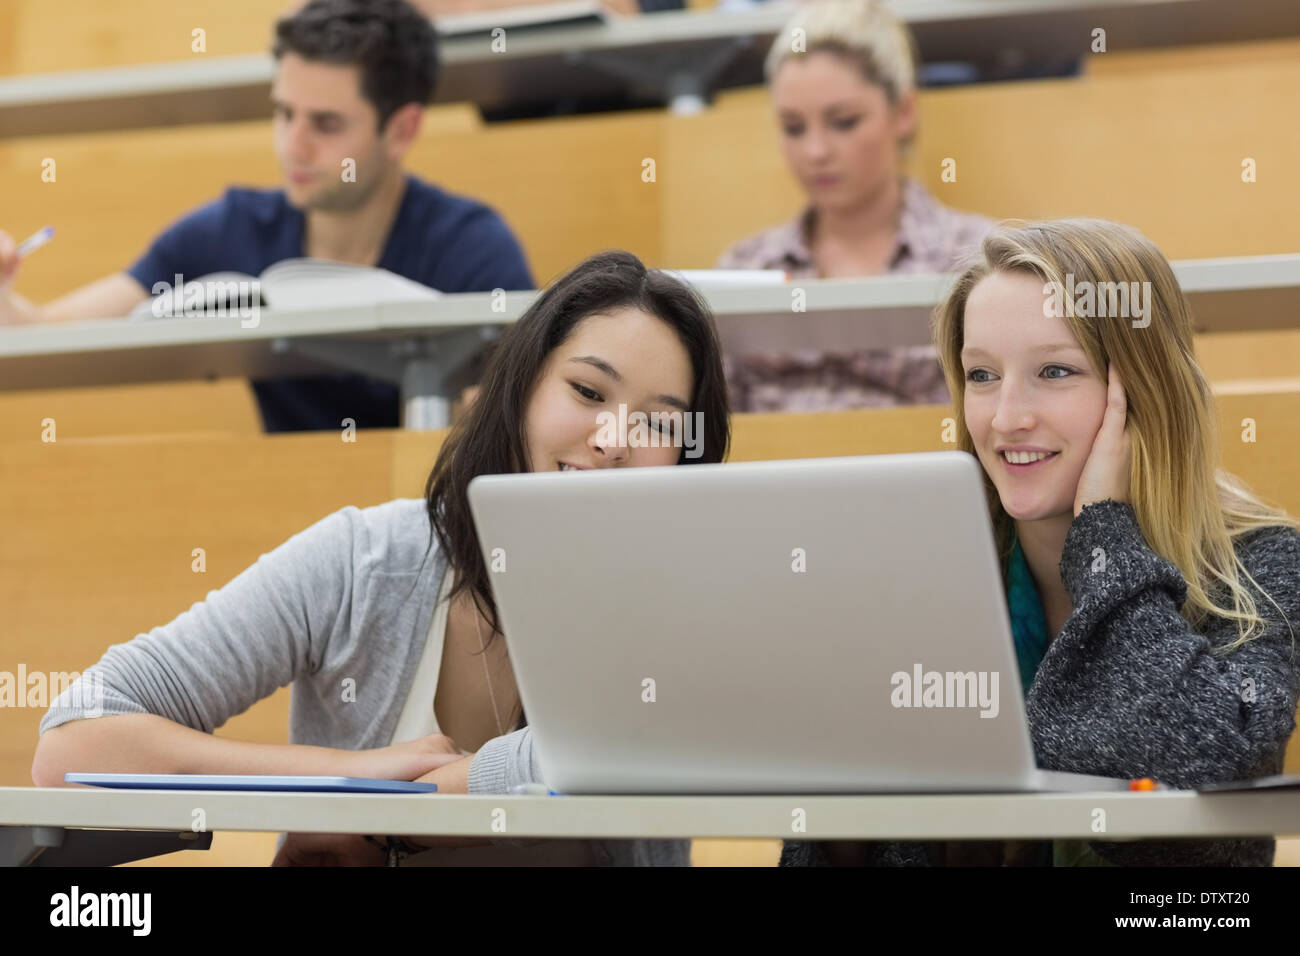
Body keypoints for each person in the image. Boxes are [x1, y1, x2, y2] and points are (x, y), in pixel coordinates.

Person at [32, 250, 730, 866]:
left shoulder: (683, 612)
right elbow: (74, 749)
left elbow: (588, 759)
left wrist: (404, 810)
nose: (613, 439)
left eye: (659, 422)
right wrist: (345, 778)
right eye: (586, 391)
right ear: (519, 389)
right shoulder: (369, 561)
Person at [783, 218, 1300, 866]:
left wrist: (1104, 534)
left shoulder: (1253, 561)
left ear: (1143, 392)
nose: (1005, 418)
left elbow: (1213, 758)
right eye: (981, 376)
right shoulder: (922, 566)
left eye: (1054, 371)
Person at [0, 0, 533, 433]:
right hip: (288, 527)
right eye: (283, 114)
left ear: (402, 131)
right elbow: (48, 336)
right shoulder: (230, 228)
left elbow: (513, 427)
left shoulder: (470, 245)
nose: (293, 147)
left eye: (326, 124)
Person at [716, 0, 992, 413]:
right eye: (793, 127)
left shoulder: (978, 257)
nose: (815, 151)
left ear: (903, 112)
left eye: (843, 122)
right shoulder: (746, 267)